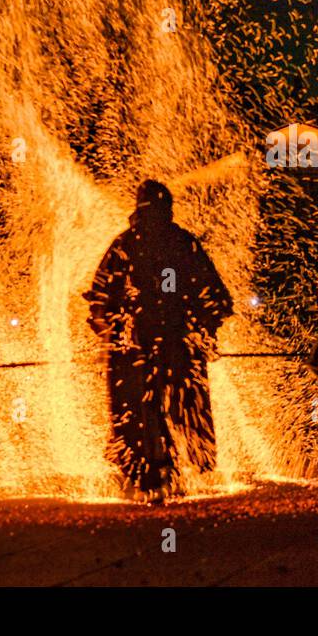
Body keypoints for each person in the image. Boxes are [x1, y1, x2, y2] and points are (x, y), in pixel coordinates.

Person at [83, 179, 233, 501]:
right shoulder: (181, 243)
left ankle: (155, 476)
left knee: (143, 414)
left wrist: (112, 336)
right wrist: (202, 330)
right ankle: (170, 473)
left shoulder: (126, 245)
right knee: (169, 410)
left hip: (146, 353)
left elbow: (99, 301)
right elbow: (215, 299)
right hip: (168, 350)